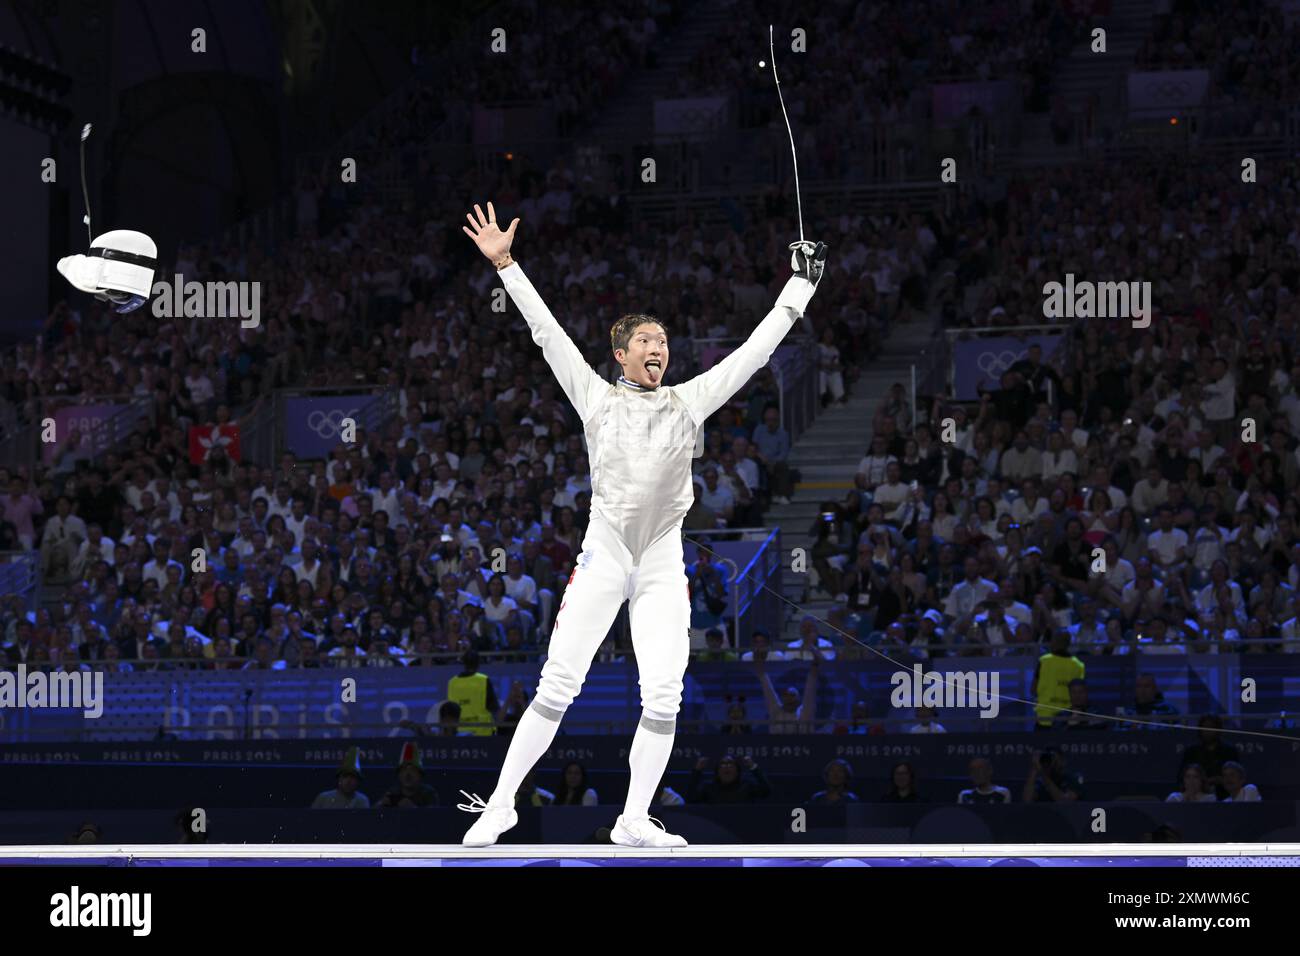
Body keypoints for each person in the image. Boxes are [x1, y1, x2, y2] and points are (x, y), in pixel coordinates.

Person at [457, 202, 826, 848]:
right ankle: (502, 804)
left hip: (660, 560)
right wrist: (507, 265)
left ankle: (633, 817)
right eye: (646, 343)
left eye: (662, 342)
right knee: (559, 681)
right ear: (621, 354)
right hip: (604, 554)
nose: (658, 349)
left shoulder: (690, 401)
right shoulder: (595, 398)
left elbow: (754, 353)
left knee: (664, 694)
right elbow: (547, 333)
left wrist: (799, 288)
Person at [754, 650, 821, 733]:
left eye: (792, 695)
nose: (789, 698)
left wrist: (815, 666)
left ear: (798, 699)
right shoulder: (776, 711)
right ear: (782, 699)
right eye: (786, 695)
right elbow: (767, 689)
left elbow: (810, 691)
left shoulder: (804, 712)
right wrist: (760, 669)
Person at [376, 742, 439, 808]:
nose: (407, 774)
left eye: (412, 770)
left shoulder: (428, 793)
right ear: (399, 775)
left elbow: (434, 816)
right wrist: (380, 805)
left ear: (420, 775)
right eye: (404, 770)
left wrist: (413, 809)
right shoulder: (393, 793)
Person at [688, 754, 771, 803]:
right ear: (717, 772)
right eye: (723, 764)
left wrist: (753, 767)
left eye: (730, 763)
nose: (727, 766)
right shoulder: (709, 788)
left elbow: (766, 791)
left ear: (737, 771)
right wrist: (697, 770)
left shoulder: (747, 786)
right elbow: (691, 797)